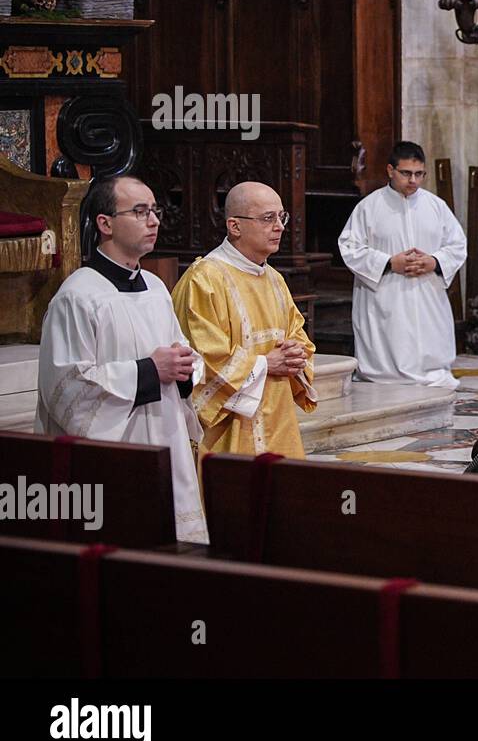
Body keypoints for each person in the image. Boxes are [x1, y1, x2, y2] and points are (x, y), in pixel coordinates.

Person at [35, 176, 207, 543]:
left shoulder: (157, 288)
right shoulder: (78, 296)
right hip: (113, 456)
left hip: (166, 438)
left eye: (155, 211)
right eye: (140, 211)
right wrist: (148, 371)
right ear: (105, 223)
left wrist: (184, 369)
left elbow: (180, 353)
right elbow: (66, 390)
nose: (154, 220)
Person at [171, 181, 317, 459]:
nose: (280, 226)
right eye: (268, 218)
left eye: (281, 217)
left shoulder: (274, 279)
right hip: (228, 432)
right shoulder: (204, 280)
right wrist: (264, 364)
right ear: (234, 226)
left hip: (278, 420)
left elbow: (299, 336)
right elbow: (202, 361)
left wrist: (297, 355)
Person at [338, 141, 467, 389]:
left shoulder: (436, 206)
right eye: (406, 173)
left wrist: (434, 261)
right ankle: (384, 374)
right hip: (386, 292)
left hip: (426, 291)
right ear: (390, 170)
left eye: (419, 174)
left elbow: (457, 245)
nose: (413, 181)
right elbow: (349, 247)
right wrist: (388, 262)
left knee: (428, 348)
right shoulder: (369, 206)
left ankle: (430, 372)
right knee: (387, 350)